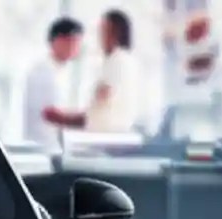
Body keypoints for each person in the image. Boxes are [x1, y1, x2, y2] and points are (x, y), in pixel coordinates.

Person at [44, 9, 141, 134]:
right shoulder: (116, 61)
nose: (100, 37)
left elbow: (101, 103)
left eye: (104, 30)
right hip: (104, 132)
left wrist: (64, 118)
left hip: (108, 134)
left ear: (116, 33)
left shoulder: (118, 61)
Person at [23, 17, 83, 152]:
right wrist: (87, 120)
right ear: (58, 40)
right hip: (42, 147)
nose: (76, 48)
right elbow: (49, 113)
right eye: (73, 41)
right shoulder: (42, 71)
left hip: (56, 147)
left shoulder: (61, 72)